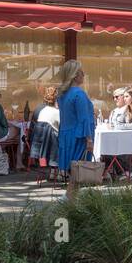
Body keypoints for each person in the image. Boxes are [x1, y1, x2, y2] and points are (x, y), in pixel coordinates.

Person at [55, 60, 95, 193]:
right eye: (81, 72)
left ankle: (71, 201)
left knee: (74, 172)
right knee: (78, 173)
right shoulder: (79, 94)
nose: (83, 75)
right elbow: (83, 118)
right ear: (75, 75)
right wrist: (89, 139)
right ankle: (70, 200)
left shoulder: (62, 94)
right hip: (79, 136)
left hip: (66, 135)